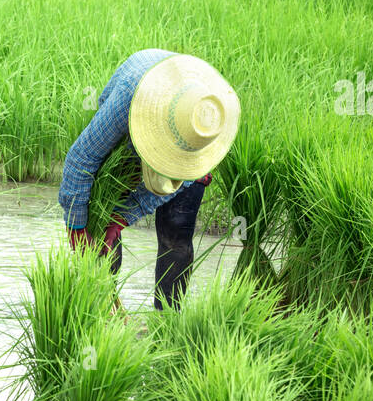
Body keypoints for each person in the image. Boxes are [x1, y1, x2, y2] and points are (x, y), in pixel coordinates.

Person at [59, 50, 239, 309]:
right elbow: (80, 161)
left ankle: (166, 322)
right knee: (101, 221)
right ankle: (102, 309)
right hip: (137, 121)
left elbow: (182, 181)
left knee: (176, 232)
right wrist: (78, 228)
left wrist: (122, 219)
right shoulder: (131, 97)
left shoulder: (210, 121)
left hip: (190, 132)